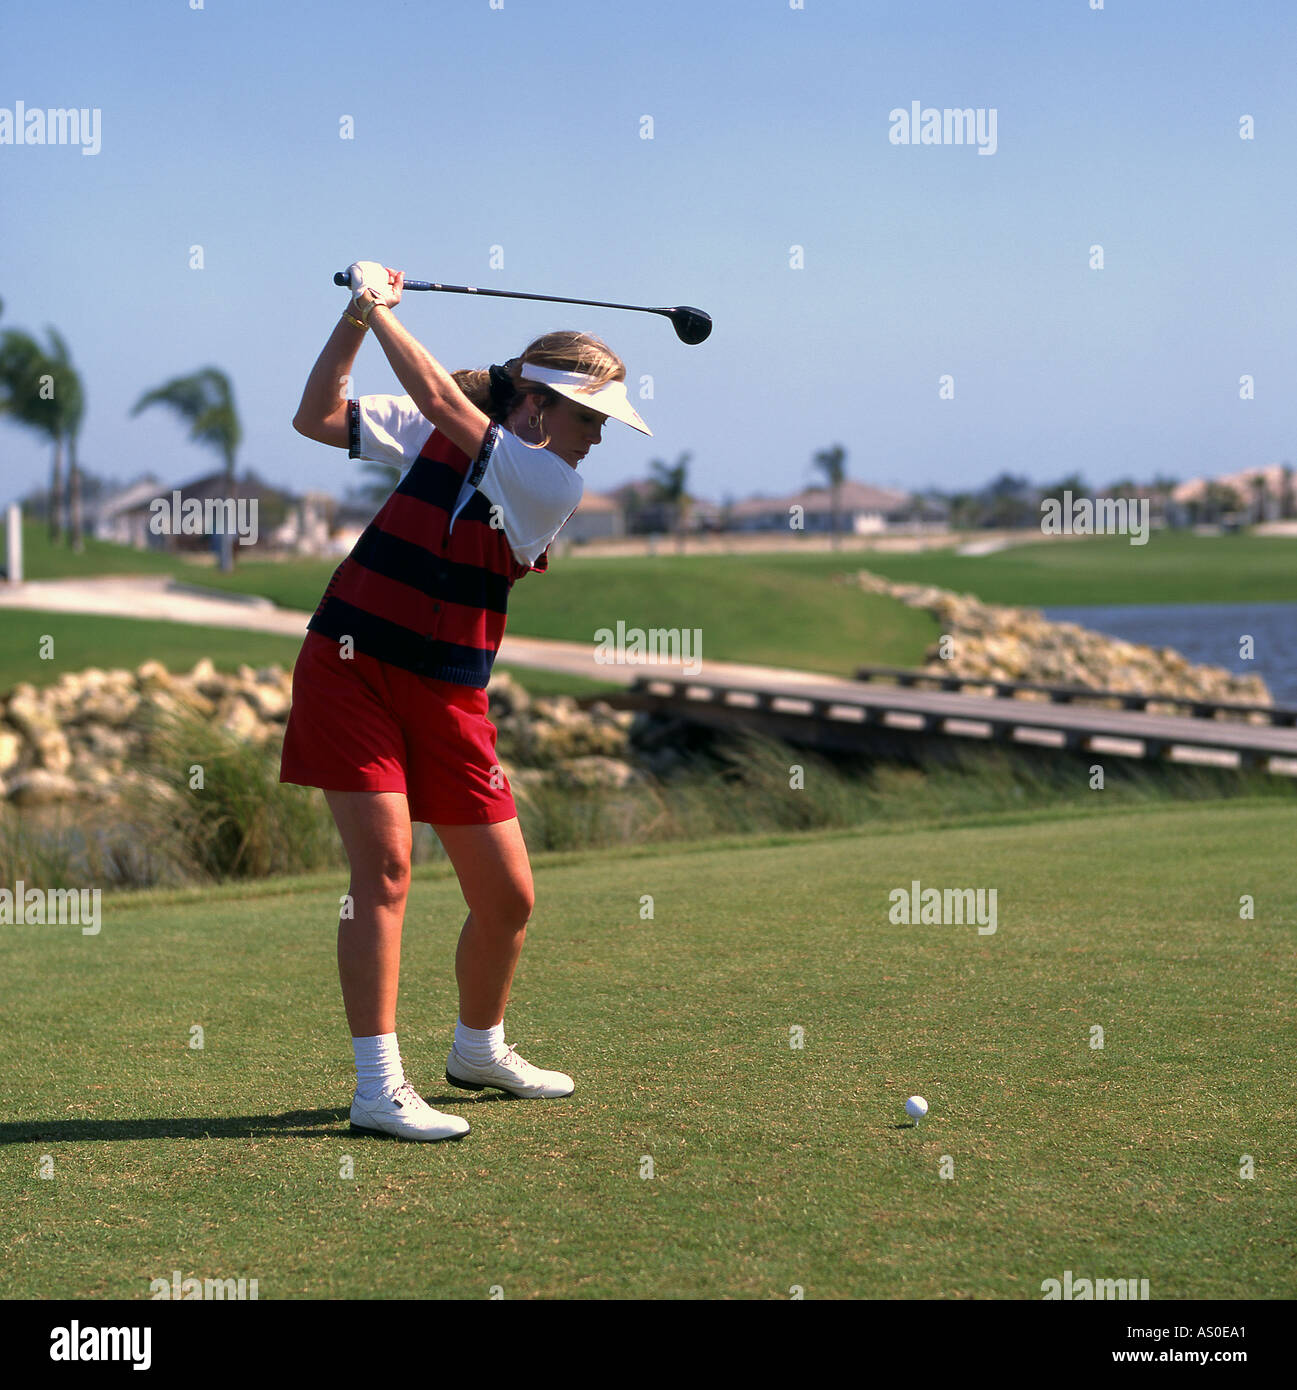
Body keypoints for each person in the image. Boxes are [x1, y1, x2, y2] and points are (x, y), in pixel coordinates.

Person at [282, 260, 652, 1141]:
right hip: (351, 662)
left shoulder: (550, 481)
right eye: (588, 417)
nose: (598, 438)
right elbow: (316, 417)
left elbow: (450, 407)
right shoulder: (458, 428)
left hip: (450, 691)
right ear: (535, 402)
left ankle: (476, 1050)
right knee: (384, 871)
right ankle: (378, 1088)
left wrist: (378, 310)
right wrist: (352, 319)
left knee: (508, 898)